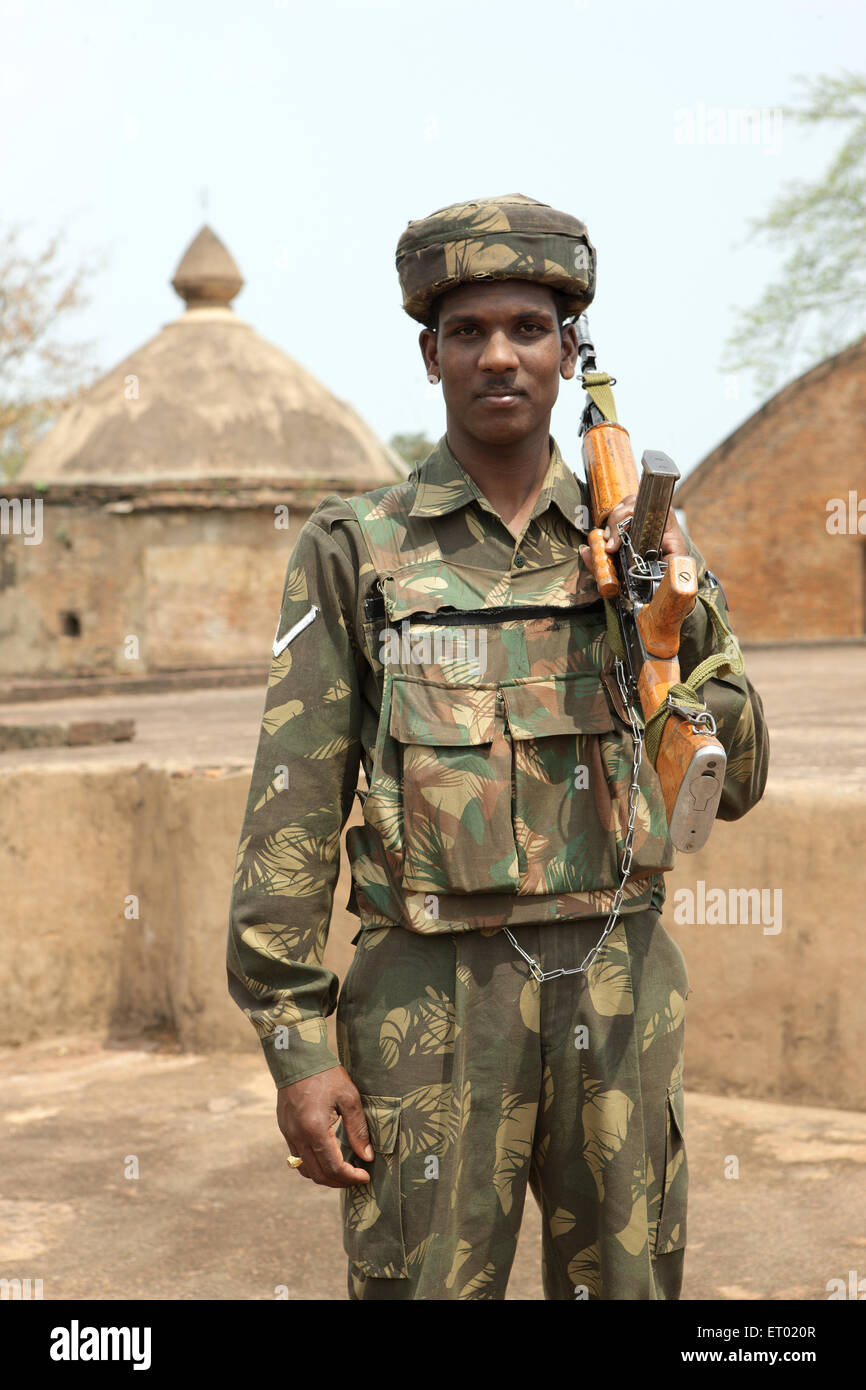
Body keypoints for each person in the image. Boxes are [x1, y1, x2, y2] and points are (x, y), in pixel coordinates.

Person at [226, 193, 769, 1301]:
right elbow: (291, 809)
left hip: (614, 987)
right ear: (428, 355)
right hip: (424, 1000)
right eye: (466, 332)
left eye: (527, 326)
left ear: (570, 352)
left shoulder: (636, 543)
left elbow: (742, 779)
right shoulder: (359, 548)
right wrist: (297, 1042)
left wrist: (678, 609)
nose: (498, 355)